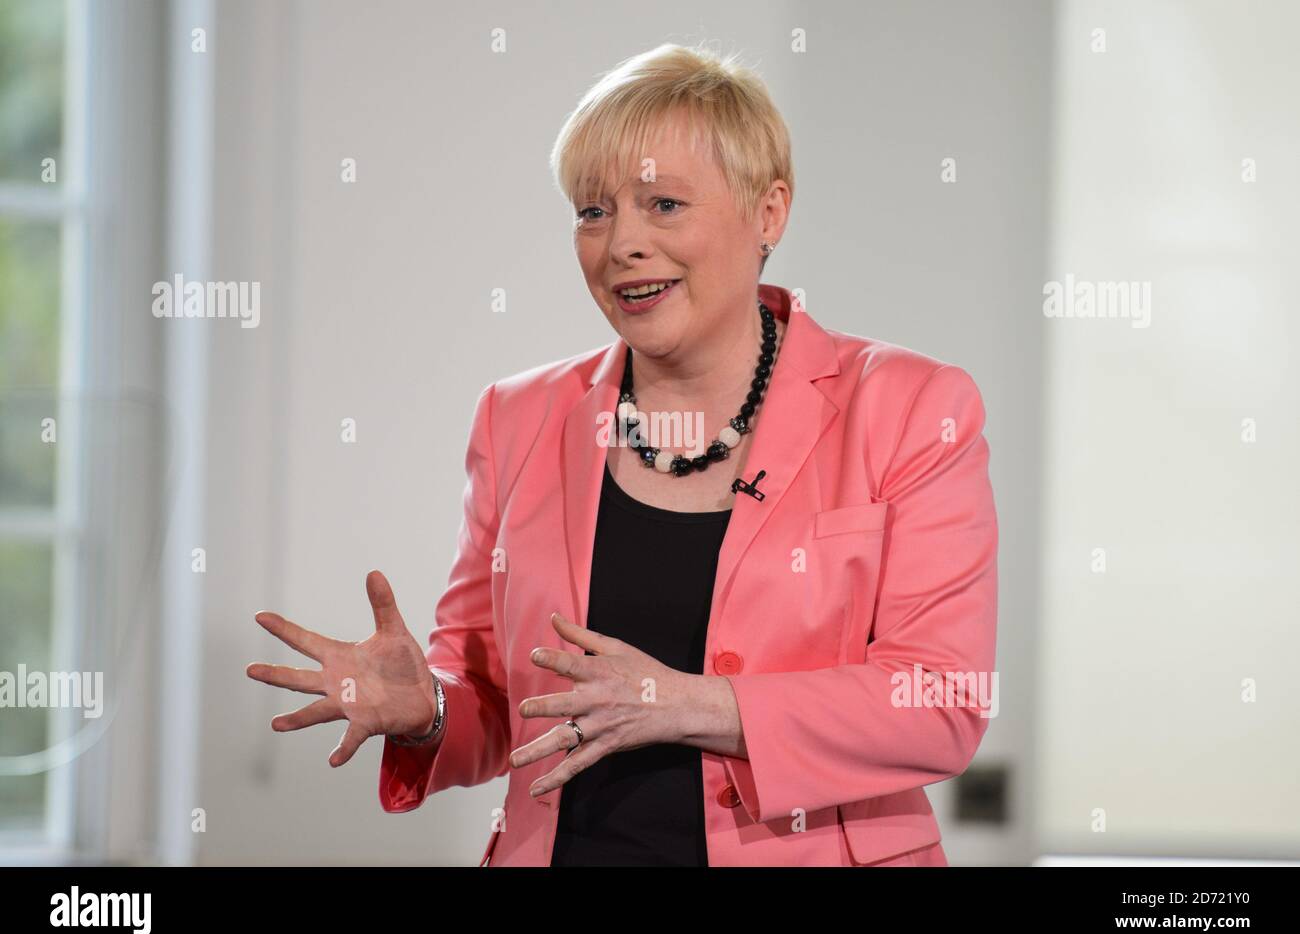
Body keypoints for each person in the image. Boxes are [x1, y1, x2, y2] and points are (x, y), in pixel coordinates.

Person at [246, 42, 998, 866]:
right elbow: (498, 705)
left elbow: (942, 703)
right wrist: (427, 708)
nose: (622, 244)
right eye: (593, 211)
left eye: (664, 204)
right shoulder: (519, 417)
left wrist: (694, 705)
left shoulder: (908, 406)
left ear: (769, 212)